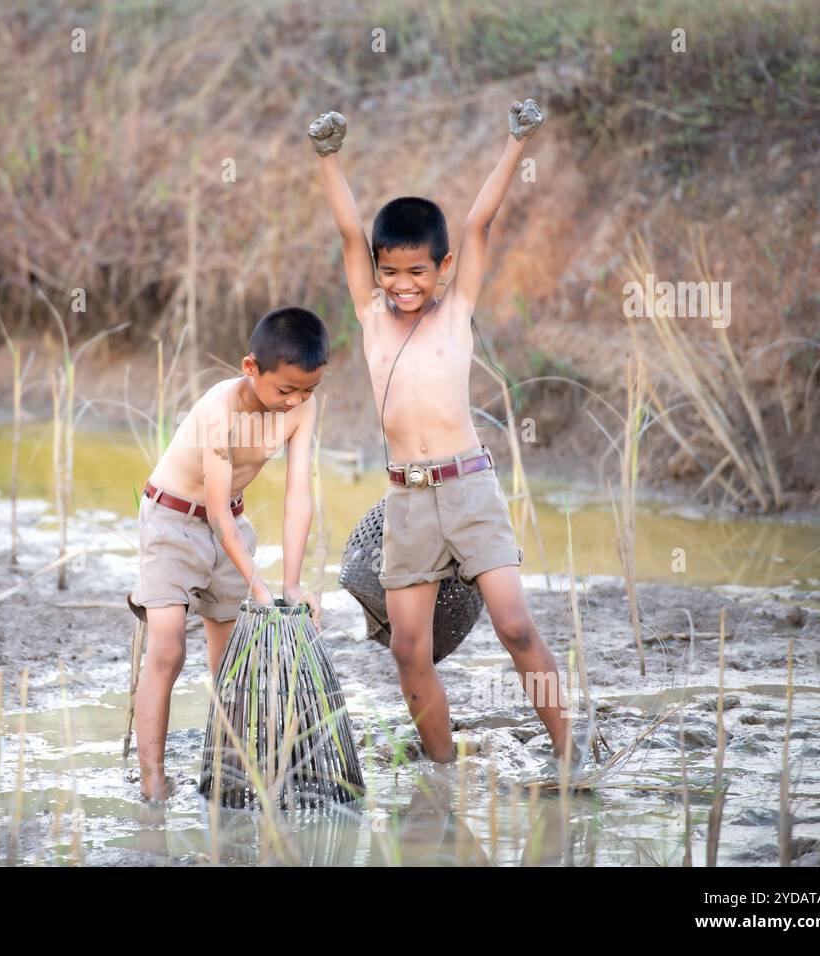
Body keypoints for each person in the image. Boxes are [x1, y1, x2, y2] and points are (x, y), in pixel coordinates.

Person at [308, 99, 579, 766]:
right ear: (377, 271)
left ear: (444, 268)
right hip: (408, 499)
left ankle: (573, 750)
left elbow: (482, 220)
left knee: (515, 625)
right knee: (408, 649)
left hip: (469, 487)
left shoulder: (457, 313)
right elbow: (347, 233)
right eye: (390, 272)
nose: (403, 285)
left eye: (417, 272)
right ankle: (442, 771)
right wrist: (329, 158)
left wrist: (516, 142)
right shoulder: (373, 319)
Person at [128, 306, 328, 800]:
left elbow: (297, 496)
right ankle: (153, 781)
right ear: (251, 368)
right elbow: (213, 511)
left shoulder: (302, 408)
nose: (296, 400)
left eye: (308, 390)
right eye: (285, 390)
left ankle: (228, 774)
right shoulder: (220, 411)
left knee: (231, 664)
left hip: (233, 526)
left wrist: (292, 583)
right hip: (173, 521)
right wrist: (259, 587)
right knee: (169, 647)